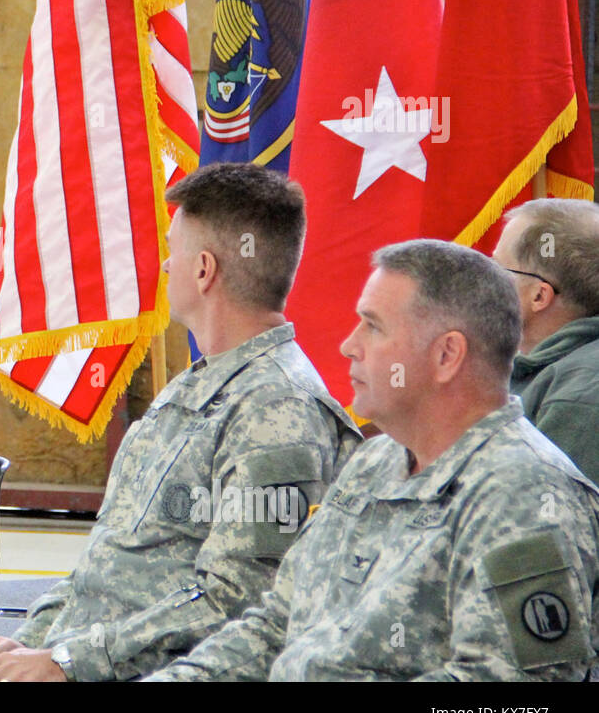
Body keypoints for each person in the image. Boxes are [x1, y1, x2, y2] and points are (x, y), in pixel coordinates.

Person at [0, 163, 360, 682]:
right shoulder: (196, 385)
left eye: (173, 250)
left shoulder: (276, 411)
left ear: (203, 270)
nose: (166, 266)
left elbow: (237, 607)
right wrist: (28, 643)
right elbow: (113, 558)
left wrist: (64, 661)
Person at [148, 240, 599, 682]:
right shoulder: (375, 462)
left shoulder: (525, 496)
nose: (348, 346)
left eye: (374, 326)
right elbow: (276, 624)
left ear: (446, 355)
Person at [491, 199, 599, 482]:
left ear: (539, 296)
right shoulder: (527, 364)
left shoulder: (581, 396)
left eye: (497, 269)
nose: (485, 281)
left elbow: (548, 517)